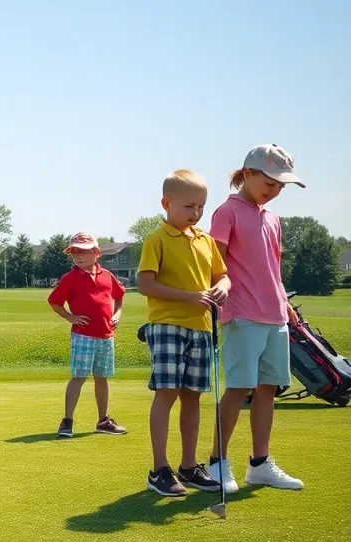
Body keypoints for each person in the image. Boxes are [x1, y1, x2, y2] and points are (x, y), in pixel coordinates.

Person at [208, 145, 306, 493]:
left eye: (281, 185)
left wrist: (284, 302)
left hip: (273, 315)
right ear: (247, 174)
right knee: (239, 388)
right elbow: (215, 263)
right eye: (270, 181)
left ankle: (260, 464)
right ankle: (217, 462)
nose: (275, 190)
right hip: (241, 314)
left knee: (268, 389)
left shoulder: (272, 218)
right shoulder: (227, 212)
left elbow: (272, 268)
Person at [137, 170, 230, 497]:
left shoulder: (205, 240)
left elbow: (223, 276)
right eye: (189, 206)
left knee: (193, 397)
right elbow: (145, 284)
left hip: (201, 328)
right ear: (167, 203)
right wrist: (191, 296)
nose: (196, 213)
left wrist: (221, 287)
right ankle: (159, 469)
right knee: (168, 393)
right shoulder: (157, 239)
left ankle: (188, 467)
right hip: (166, 325)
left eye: (201, 207)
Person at [48, 232, 127, 438]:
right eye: (74, 252)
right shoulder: (70, 278)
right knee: (79, 376)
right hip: (83, 336)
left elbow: (119, 297)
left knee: (102, 378)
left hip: (106, 335)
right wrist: (70, 317)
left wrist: (117, 314)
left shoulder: (107, 276)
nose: (78, 256)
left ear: (96, 253)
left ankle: (103, 421)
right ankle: (67, 422)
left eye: (83, 252)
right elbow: (55, 302)